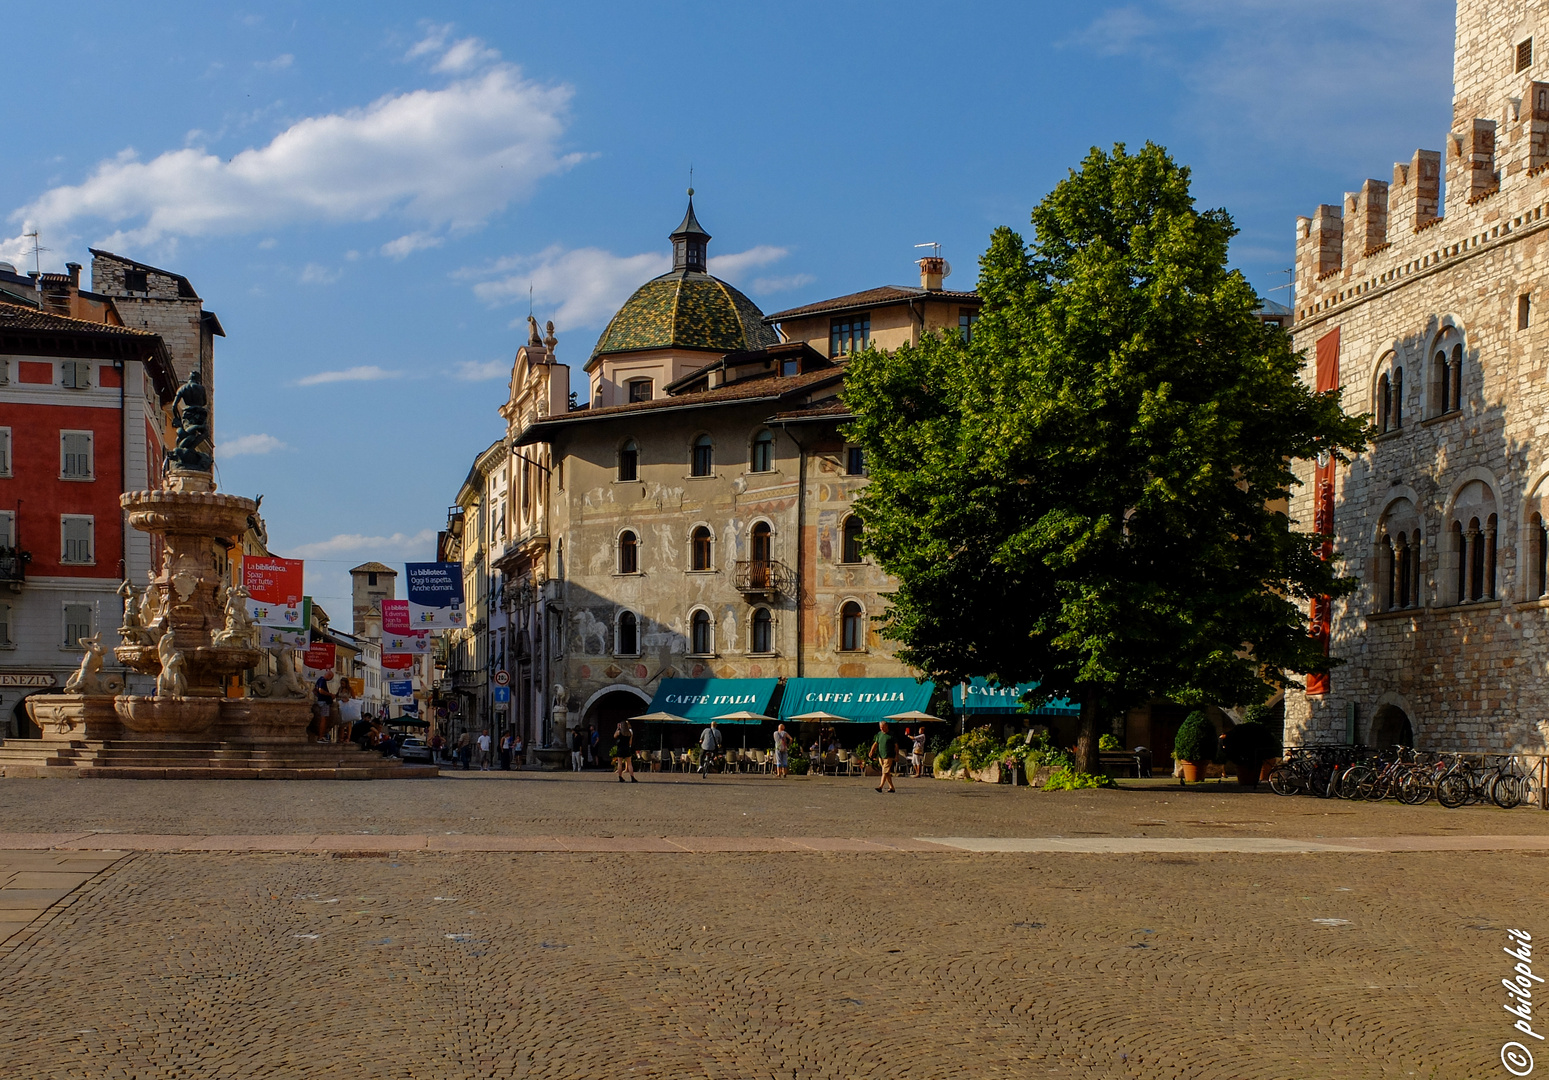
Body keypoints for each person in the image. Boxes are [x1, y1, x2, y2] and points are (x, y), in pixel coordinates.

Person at [869, 721, 897, 793]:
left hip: (889, 755)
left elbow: (896, 746)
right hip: (881, 756)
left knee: (884, 771)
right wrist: (871, 751)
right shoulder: (879, 734)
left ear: (886, 726)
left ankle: (880, 786)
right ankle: (892, 787)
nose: (881, 729)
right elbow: (875, 743)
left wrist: (896, 755)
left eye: (883, 727)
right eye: (880, 727)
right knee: (886, 772)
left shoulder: (891, 735)